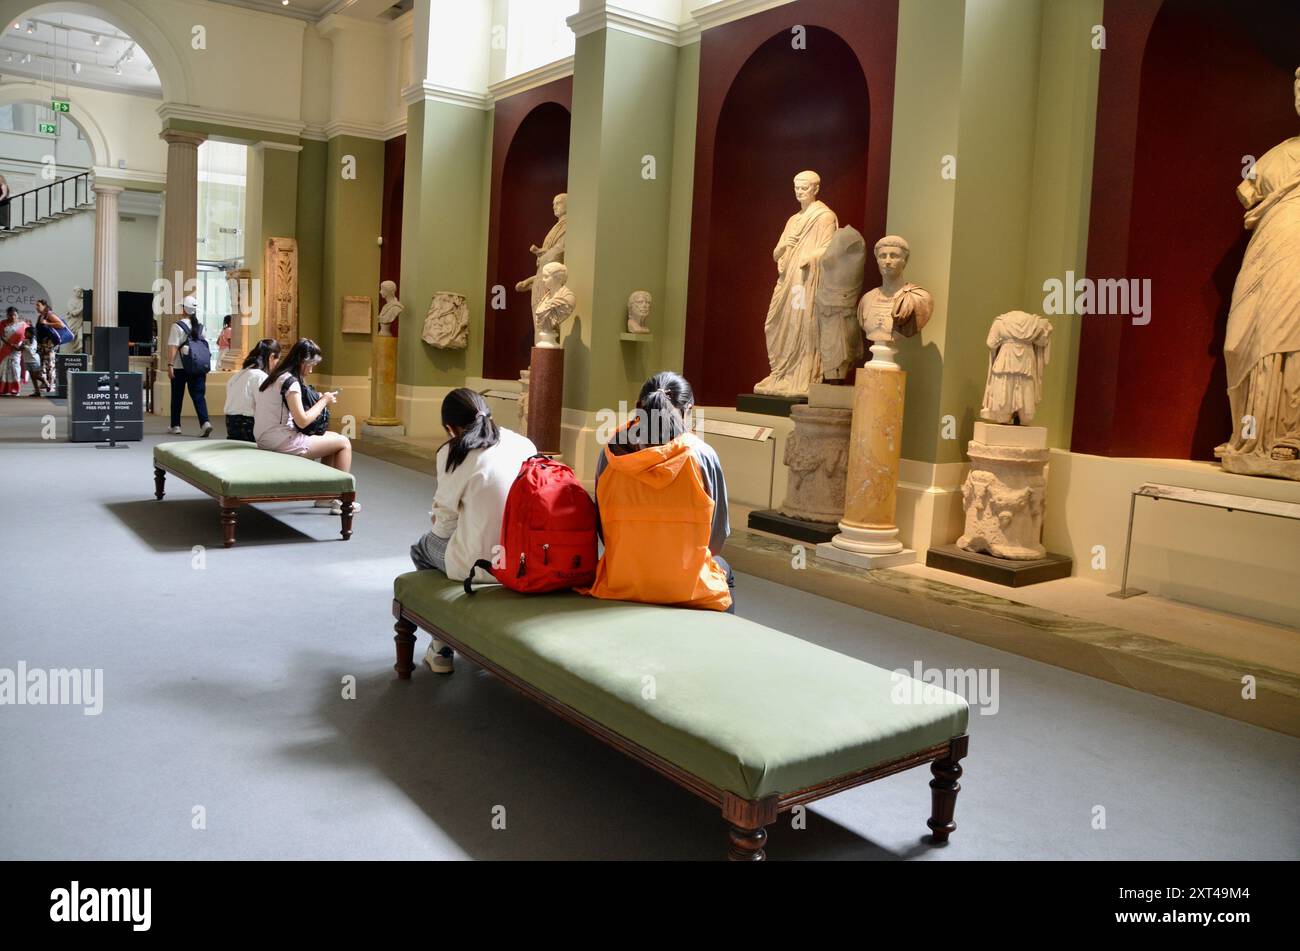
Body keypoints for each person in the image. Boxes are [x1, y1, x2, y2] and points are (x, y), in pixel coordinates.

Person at [409, 388, 537, 673]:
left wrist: (442, 524)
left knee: (422, 548)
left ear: (450, 428)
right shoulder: (523, 443)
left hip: (479, 565)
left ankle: (441, 646)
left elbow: (443, 525)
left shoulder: (454, 451)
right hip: (523, 559)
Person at [586, 371, 734, 612]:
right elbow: (716, 540)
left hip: (621, 581)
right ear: (687, 410)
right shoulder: (703, 455)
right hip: (686, 588)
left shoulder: (610, 454)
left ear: (638, 407)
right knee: (724, 566)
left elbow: (603, 528)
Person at [253, 338, 357, 514]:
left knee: (332, 441)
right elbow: (302, 421)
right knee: (344, 443)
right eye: (311, 364)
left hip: (264, 437)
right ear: (302, 361)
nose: (311, 369)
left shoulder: (275, 376)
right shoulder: (291, 382)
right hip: (281, 441)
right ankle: (341, 500)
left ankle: (326, 497)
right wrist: (324, 401)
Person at [166, 296, 213, 437]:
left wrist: (170, 365)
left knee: (177, 396)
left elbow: (173, 348)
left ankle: (176, 425)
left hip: (180, 368)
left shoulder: (177, 326)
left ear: (184, 309)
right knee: (199, 396)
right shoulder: (201, 327)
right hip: (198, 367)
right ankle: (205, 423)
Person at [223, 338, 280, 441]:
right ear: (271, 357)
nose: (276, 366)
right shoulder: (260, 377)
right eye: (277, 361)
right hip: (247, 427)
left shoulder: (238, 375)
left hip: (230, 425)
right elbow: (265, 408)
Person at [33, 300, 66, 392]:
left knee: (50, 365)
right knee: (43, 365)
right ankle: (45, 384)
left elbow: (61, 325)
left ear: (44, 305)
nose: (36, 307)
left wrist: (47, 323)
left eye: (38, 305)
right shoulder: (41, 316)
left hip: (49, 345)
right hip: (42, 345)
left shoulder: (49, 314)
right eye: (36, 305)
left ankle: (51, 385)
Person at [0, 307, 29, 396]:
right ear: (7, 315)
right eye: (10, 315)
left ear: (17, 315)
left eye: (14, 315)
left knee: (15, 368)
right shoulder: (3, 323)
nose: (12, 317)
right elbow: (1, 337)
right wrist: (11, 345)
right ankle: (3, 389)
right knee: (3, 369)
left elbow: (28, 337)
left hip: (17, 350)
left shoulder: (23, 325)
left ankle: (15, 388)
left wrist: (21, 346)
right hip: (5, 349)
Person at [20, 327, 50, 397]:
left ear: (31, 333)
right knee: (32, 377)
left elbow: (31, 351)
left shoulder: (34, 341)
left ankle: (46, 382)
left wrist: (25, 346)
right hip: (27, 360)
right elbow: (20, 348)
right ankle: (37, 392)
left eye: (26, 332)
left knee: (36, 375)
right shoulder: (24, 340)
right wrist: (18, 347)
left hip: (34, 360)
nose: (25, 333)